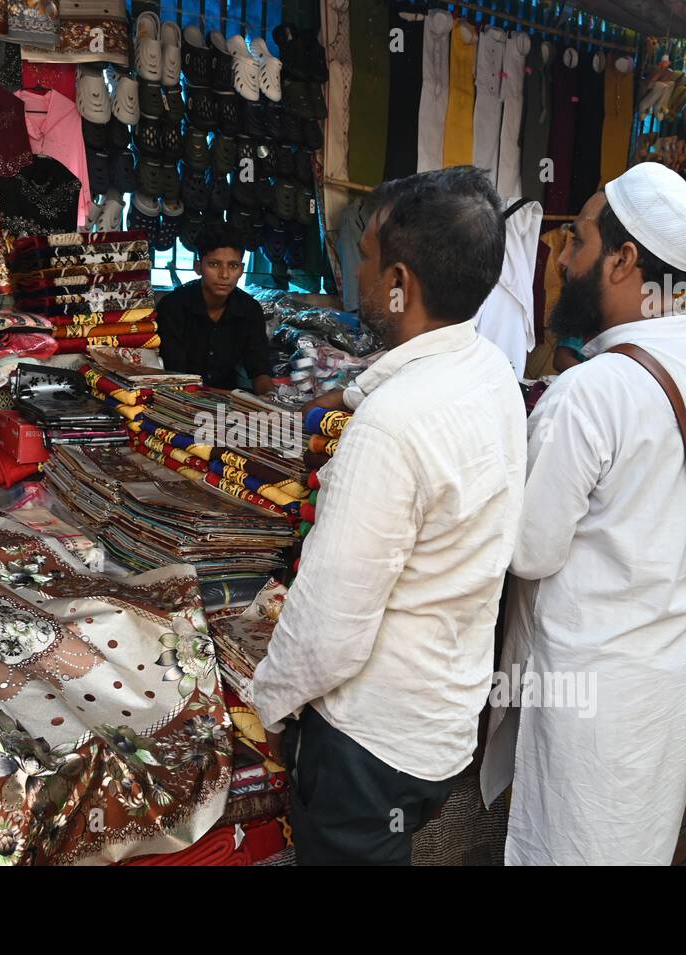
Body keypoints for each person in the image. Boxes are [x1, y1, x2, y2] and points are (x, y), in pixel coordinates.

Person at [251, 166, 526, 865]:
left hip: (368, 744)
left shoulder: (392, 427)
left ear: (400, 279)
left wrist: (271, 704)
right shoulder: (492, 372)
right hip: (443, 721)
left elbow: (331, 627)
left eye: (366, 258)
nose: (358, 271)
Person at [480, 162, 686, 865]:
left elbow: (531, 551)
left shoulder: (592, 391)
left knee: (570, 843)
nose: (563, 261)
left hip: (591, 683)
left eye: (577, 243)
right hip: (669, 669)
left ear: (625, 259)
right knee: (637, 840)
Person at [156, 224, 274, 395]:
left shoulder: (250, 309)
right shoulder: (173, 306)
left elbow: (259, 371)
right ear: (198, 267)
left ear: (241, 269)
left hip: (230, 403)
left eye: (233, 266)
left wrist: (270, 399)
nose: (224, 275)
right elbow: (176, 377)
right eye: (214, 264)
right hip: (179, 399)